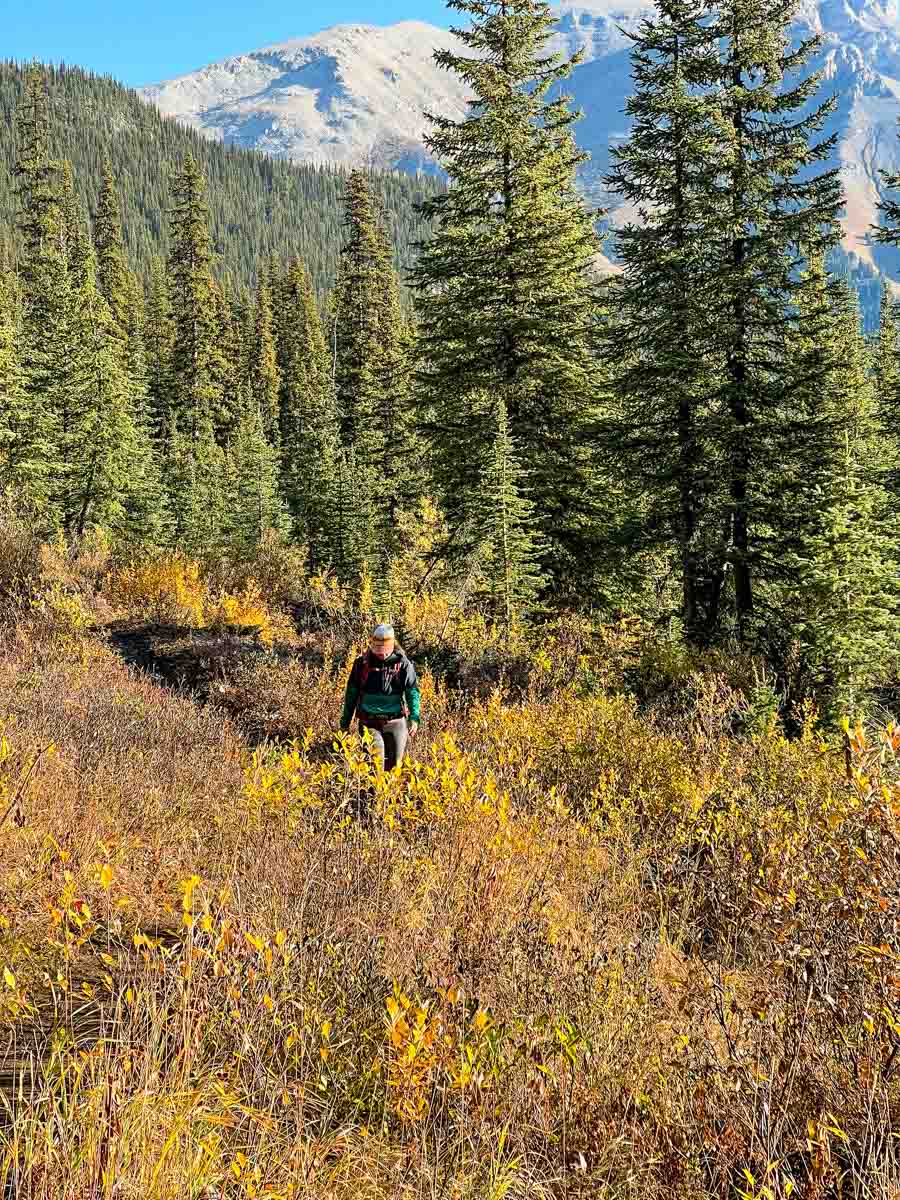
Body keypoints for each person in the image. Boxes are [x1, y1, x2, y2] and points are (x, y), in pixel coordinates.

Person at [339, 624, 420, 770]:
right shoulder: (361, 664)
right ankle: (373, 792)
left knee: (394, 767)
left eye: (385, 651)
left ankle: (389, 793)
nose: (381, 654)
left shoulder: (403, 664)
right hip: (368, 722)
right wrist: (345, 722)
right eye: (377, 650)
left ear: (392, 646)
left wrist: (414, 718)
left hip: (396, 722)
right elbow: (351, 694)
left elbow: (412, 692)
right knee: (375, 765)